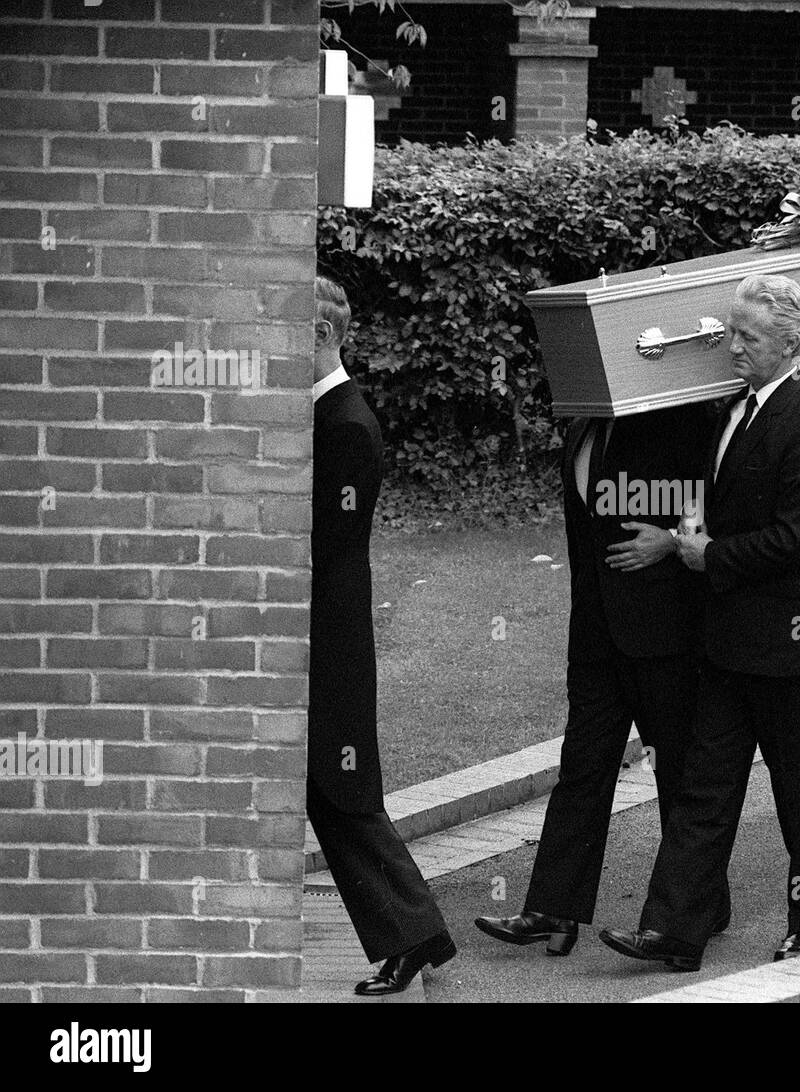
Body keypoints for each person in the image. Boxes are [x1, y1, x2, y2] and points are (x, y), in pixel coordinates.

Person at [600, 273, 800, 971]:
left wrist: (708, 553)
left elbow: (797, 539)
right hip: (729, 641)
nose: (732, 347)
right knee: (703, 792)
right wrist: (690, 530)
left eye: (748, 336)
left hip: (796, 645)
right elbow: (729, 511)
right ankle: (676, 931)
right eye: (732, 332)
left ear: (791, 343)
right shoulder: (732, 412)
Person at [474, 402, 728, 953]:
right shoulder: (583, 424)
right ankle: (554, 910)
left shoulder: (681, 413)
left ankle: (697, 907)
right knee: (583, 767)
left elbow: (716, 490)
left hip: (665, 630)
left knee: (678, 772)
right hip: (595, 633)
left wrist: (670, 538)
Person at [307, 276, 456, 994]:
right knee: (331, 790)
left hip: (329, 636)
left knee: (343, 790)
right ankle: (417, 934)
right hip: (321, 630)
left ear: (321, 335)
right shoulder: (325, 414)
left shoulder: (344, 422)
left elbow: (328, 542)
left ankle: (413, 937)